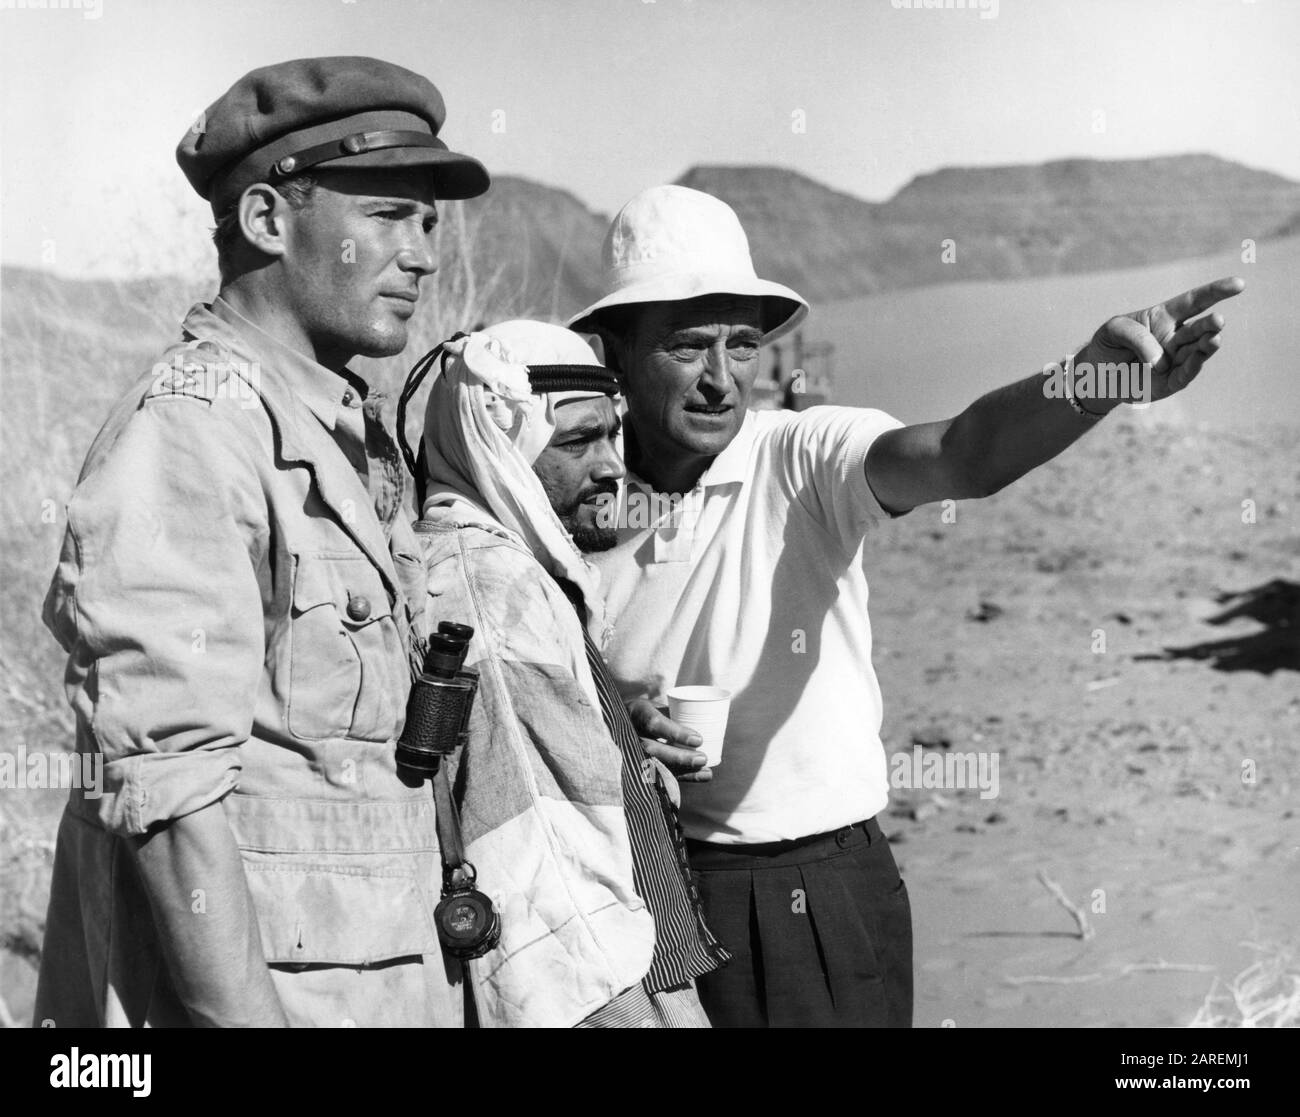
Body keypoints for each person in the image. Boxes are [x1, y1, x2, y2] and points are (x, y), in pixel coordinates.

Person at [568, 184, 1243, 1028]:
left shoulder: (800, 458)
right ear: (616, 351)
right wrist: (611, 718)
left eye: (741, 345)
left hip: (811, 890)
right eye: (685, 346)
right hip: (635, 883)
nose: (720, 379)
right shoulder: (569, 493)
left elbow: (963, 452)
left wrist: (1093, 378)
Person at [34, 56, 489, 1028]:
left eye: (428, 223)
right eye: (386, 214)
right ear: (267, 222)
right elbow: (173, 795)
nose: (422, 255)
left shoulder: (331, 426)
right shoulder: (196, 428)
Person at [410, 320, 729, 1027]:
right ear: (500, 449)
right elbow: (542, 891)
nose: (613, 465)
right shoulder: (493, 593)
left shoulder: (508, 569)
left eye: (611, 435)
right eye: (578, 441)